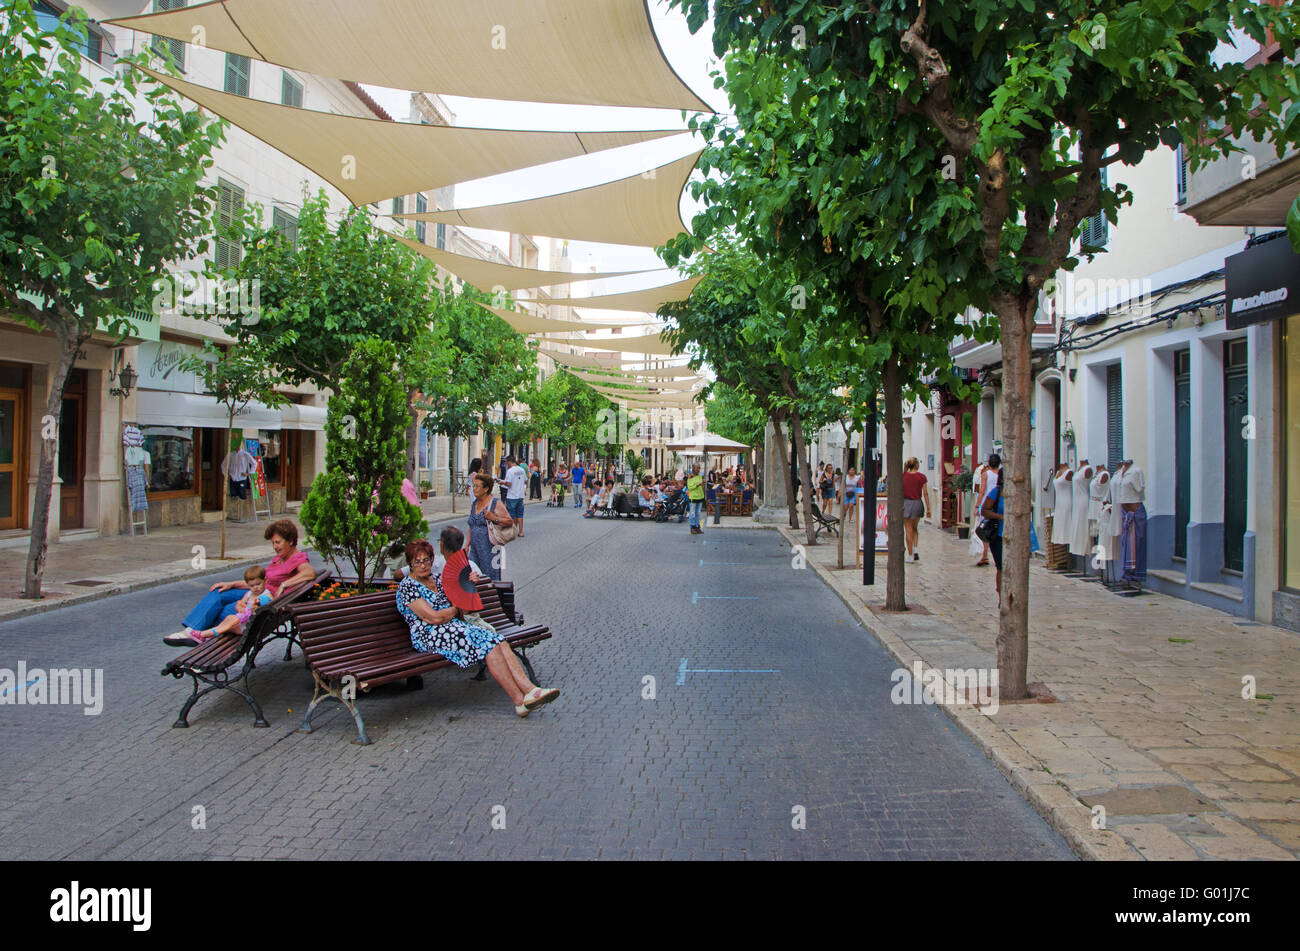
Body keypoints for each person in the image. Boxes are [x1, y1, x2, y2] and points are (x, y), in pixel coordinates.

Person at [397, 533, 558, 718]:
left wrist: (467, 584)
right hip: (429, 635)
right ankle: (518, 700)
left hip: (453, 628)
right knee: (488, 642)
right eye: (417, 561)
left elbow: (462, 608)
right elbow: (434, 618)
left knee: (498, 640)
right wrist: (453, 610)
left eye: (427, 560)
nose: (423, 565)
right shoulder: (407, 587)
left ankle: (530, 691)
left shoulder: (438, 580)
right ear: (410, 563)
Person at [164, 519, 314, 646]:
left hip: (263, 600)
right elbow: (258, 581)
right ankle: (190, 632)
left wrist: (284, 584)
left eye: (278, 542)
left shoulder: (297, 558)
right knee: (219, 591)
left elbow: (309, 573)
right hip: (255, 591)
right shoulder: (279, 558)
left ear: (291, 541)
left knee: (223, 611)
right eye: (273, 543)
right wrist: (233, 584)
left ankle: (198, 637)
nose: (275, 547)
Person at [168, 565, 274, 647]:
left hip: (252, 626)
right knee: (227, 616)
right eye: (252, 586)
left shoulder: (264, 596)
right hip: (244, 622)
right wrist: (240, 607)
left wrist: (252, 606)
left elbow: (259, 604)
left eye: (258, 584)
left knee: (228, 621)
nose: (255, 588)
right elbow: (240, 604)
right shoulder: (249, 593)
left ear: (265, 581)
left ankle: (202, 634)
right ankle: (203, 635)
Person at [467, 471, 514, 582]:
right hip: (474, 549)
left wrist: (493, 518)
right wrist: (467, 545)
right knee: (474, 577)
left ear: (486, 489)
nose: (474, 489)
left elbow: (509, 521)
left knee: (491, 579)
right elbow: (471, 525)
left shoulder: (495, 503)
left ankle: (493, 599)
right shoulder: (475, 503)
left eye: (477, 486)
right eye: (474, 486)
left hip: (491, 549)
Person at [980, 469, 1006, 605]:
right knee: (1001, 567)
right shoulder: (996, 492)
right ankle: (1001, 597)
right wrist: (999, 516)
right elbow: (984, 510)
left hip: (1013, 536)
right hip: (999, 535)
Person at [974, 454, 1001, 567]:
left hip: (987, 504)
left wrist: (977, 506)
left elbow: (982, 490)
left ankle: (985, 555)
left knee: (986, 528)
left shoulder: (986, 474)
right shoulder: (1001, 474)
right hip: (998, 503)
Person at [901, 457, 928, 562]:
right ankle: (916, 550)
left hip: (907, 503)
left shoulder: (903, 476)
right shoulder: (922, 477)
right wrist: (928, 508)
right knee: (915, 528)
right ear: (917, 465)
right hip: (918, 503)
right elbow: (925, 493)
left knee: (908, 529)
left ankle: (910, 555)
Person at [497, 454, 527, 538]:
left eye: (507, 463)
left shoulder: (510, 471)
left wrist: (502, 482)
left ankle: (512, 531)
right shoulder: (521, 470)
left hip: (512, 495)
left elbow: (508, 483)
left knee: (511, 514)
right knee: (520, 514)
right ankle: (521, 531)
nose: (506, 464)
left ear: (510, 462)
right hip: (520, 495)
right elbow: (525, 480)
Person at [686, 464, 705, 535]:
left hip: (700, 496)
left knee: (698, 513)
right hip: (693, 497)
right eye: (697, 468)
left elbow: (700, 485)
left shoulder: (700, 476)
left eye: (699, 468)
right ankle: (692, 527)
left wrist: (702, 483)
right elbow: (690, 487)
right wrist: (698, 484)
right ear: (693, 468)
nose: (699, 470)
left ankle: (697, 527)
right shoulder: (690, 477)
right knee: (692, 513)